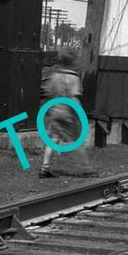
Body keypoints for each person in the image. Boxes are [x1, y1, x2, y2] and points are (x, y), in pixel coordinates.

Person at [38, 48, 94, 178]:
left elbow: (48, 94)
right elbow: (74, 98)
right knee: (76, 140)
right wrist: (79, 113)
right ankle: (87, 168)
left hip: (55, 111)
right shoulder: (74, 78)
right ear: (72, 62)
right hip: (67, 113)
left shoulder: (54, 76)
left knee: (53, 140)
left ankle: (44, 168)